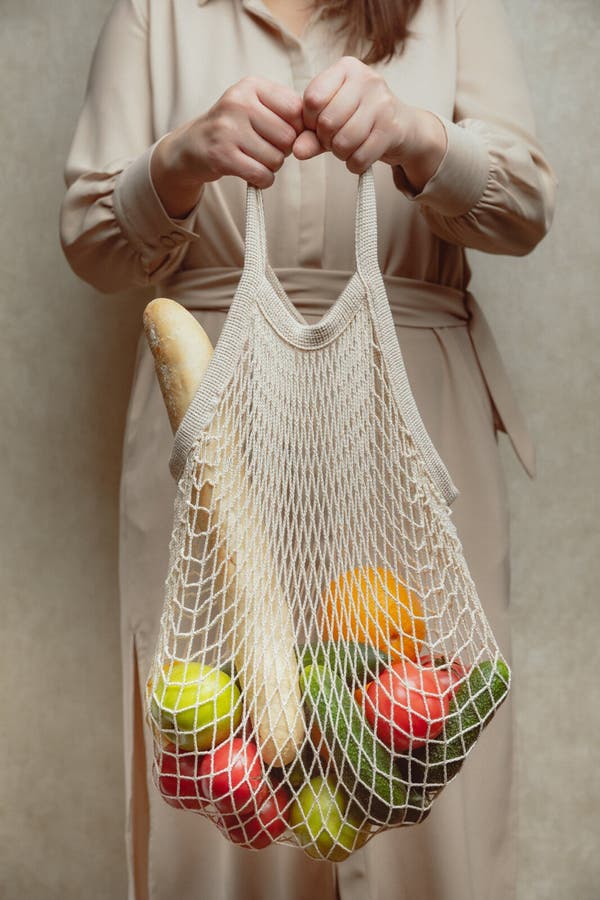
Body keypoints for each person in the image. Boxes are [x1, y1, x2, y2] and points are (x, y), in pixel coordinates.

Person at [59, 1, 557, 898]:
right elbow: (93, 242)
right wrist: (178, 161)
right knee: (227, 776)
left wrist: (418, 139)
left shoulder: (451, 6)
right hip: (214, 421)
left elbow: (523, 205)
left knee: (427, 757)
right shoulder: (154, 9)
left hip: (411, 410)